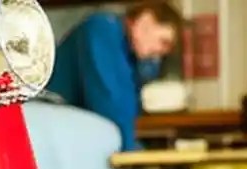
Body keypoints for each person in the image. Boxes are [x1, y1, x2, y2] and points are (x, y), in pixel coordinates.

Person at [46, 1, 182, 152]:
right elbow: (110, 103)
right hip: (52, 123)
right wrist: (130, 151)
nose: (160, 52)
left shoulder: (128, 54)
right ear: (146, 20)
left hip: (70, 129)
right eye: (163, 42)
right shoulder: (103, 30)